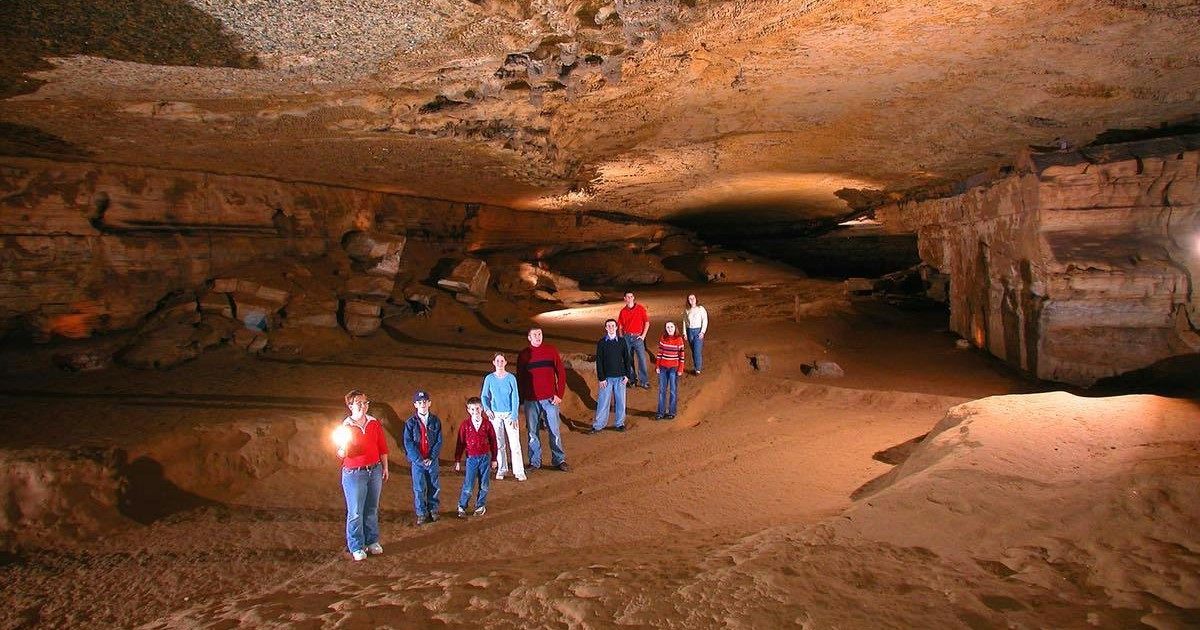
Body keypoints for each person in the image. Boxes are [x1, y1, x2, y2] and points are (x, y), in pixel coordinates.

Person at [336, 390, 389, 561]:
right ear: (350, 405)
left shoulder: (374, 423)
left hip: (374, 470)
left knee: (371, 507)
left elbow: (382, 446)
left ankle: (372, 540)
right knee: (356, 511)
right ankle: (356, 545)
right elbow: (340, 453)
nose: (363, 405)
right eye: (359, 402)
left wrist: (385, 467)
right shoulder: (345, 426)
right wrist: (342, 450)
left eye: (365, 402)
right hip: (354, 473)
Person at [517, 327, 570, 472]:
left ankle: (559, 459)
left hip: (550, 399)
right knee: (532, 432)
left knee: (554, 430)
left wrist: (559, 394)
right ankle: (535, 461)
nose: (538, 337)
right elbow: (520, 378)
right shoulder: (523, 355)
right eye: (534, 334)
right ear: (529, 337)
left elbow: (561, 372)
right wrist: (521, 401)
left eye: (539, 334)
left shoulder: (551, 351)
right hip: (530, 400)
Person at [480, 352, 526, 481]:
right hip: (495, 415)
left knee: (515, 443)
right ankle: (502, 468)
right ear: (494, 363)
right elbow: (484, 396)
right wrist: (487, 409)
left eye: (502, 361)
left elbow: (515, 396)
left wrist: (514, 414)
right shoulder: (489, 378)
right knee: (498, 443)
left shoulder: (511, 378)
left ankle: (519, 470)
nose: (500, 363)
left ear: (505, 362)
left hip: (509, 414)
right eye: (497, 361)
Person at [453, 396, 499, 517]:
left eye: (477, 409)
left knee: (484, 484)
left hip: (485, 458)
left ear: (482, 409)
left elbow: (493, 441)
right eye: (472, 409)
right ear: (468, 410)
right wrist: (457, 460)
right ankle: (462, 505)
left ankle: (480, 505)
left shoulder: (487, 425)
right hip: (471, 459)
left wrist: (494, 458)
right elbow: (460, 443)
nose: (475, 412)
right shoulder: (465, 425)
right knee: (468, 484)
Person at [402, 390, 443, 525]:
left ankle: (433, 509)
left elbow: (438, 441)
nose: (423, 404)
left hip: (432, 461)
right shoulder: (410, 423)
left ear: (429, 403)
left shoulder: (435, 421)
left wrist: (431, 457)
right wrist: (419, 459)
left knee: (434, 485)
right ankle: (421, 512)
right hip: (417, 462)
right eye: (420, 402)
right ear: (415, 405)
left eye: (425, 402)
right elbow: (408, 443)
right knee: (419, 487)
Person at [589, 318, 632, 434]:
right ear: (606, 328)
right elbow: (599, 361)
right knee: (603, 401)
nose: (611, 328)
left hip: (620, 377)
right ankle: (598, 425)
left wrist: (627, 375)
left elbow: (627, 359)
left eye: (613, 325)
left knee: (621, 401)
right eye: (609, 326)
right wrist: (601, 378)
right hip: (606, 378)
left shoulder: (622, 342)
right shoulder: (602, 343)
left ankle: (619, 423)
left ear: (617, 327)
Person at [616, 291, 651, 388]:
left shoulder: (640, 308)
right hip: (627, 337)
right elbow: (620, 326)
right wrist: (621, 338)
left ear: (633, 297)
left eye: (631, 296)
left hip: (638, 337)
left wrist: (643, 335)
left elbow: (647, 323)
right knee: (628, 359)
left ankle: (644, 381)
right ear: (625, 299)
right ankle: (632, 380)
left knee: (642, 359)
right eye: (628, 297)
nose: (630, 298)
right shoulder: (623, 311)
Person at [655, 322, 686, 419]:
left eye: (671, 327)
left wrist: (680, 368)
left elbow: (681, 356)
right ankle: (661, 412)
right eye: (667, 327)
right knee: (662, 390)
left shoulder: (679, 340)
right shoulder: (663, 338)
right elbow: (659, 353)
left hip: (674, 368)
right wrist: (657, 366)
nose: (669, 328)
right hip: (663, 368)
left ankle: (672, 412)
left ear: (675, 328)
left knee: (673, 390)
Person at [684, 293, 709, 375]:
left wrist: (702, 332)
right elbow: (684, 322)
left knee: (697, 351)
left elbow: (705, 320)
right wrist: (684, 333)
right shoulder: (686, 310)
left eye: (693, 298)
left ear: (696, 299)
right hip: (689, 331)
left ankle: (698, 369)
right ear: (688, 300)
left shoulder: (701, 309)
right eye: (690, 298)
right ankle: (696, 367)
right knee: (693, 350)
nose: (692, 300)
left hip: (698, 331)